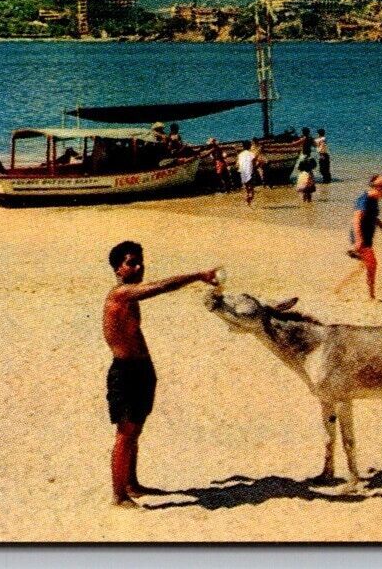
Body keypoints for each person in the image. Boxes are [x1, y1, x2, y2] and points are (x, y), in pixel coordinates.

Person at [102, 241, 220, 507]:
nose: (139, 266)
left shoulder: (129, 295)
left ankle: (131, 484)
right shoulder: (119, 295)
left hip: (141, 371)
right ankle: (119, 496)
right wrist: (198, 276)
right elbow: (163, 287)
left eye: (140, 261)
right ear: (118, 269)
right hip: (126, 372)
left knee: (136, 431)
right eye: (132, 262)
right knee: (125, 433)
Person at [335, 174, 382, 301]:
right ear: (376, 188)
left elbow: (374, 217)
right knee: (372, 265)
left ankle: (338, 288)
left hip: (367, 237)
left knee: (362, 267)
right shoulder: (364, 200)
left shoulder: (374, 200)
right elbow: (356, 219)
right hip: (361, 237)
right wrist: (359, 239)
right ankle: (371, 296)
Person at [236, 140, 259, 206]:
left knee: (246, 188)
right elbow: (254, 163)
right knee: (251, 188)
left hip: (242, 173)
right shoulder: (251, 154)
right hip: (250, 173)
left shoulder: (240, 155)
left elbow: (237, 165)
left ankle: (247, 202)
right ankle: (250, 201)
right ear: (250, 146)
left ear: (243, 147)